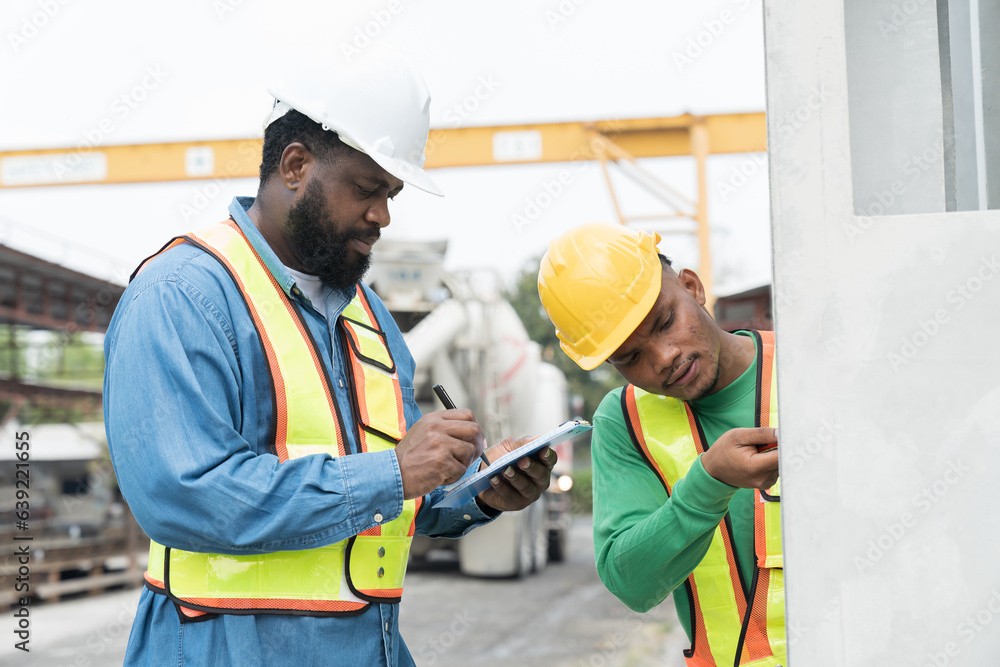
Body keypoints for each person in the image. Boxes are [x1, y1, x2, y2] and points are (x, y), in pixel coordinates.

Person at [103, 46, 555, 667]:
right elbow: (185, 495)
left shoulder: (371, 318)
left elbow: (385, 506)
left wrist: (477, 493)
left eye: (392, 193)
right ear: (295, 166)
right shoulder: (184, 294)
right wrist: (394, 471)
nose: (384, 216)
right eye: (368, 189)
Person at [537, 223, 784, 667]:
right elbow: (631, 583)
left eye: (665, 321)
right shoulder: (625, 422)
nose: (664, 357)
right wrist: (708, 485)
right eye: (630, 357)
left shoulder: (806, 362)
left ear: (691, 286)